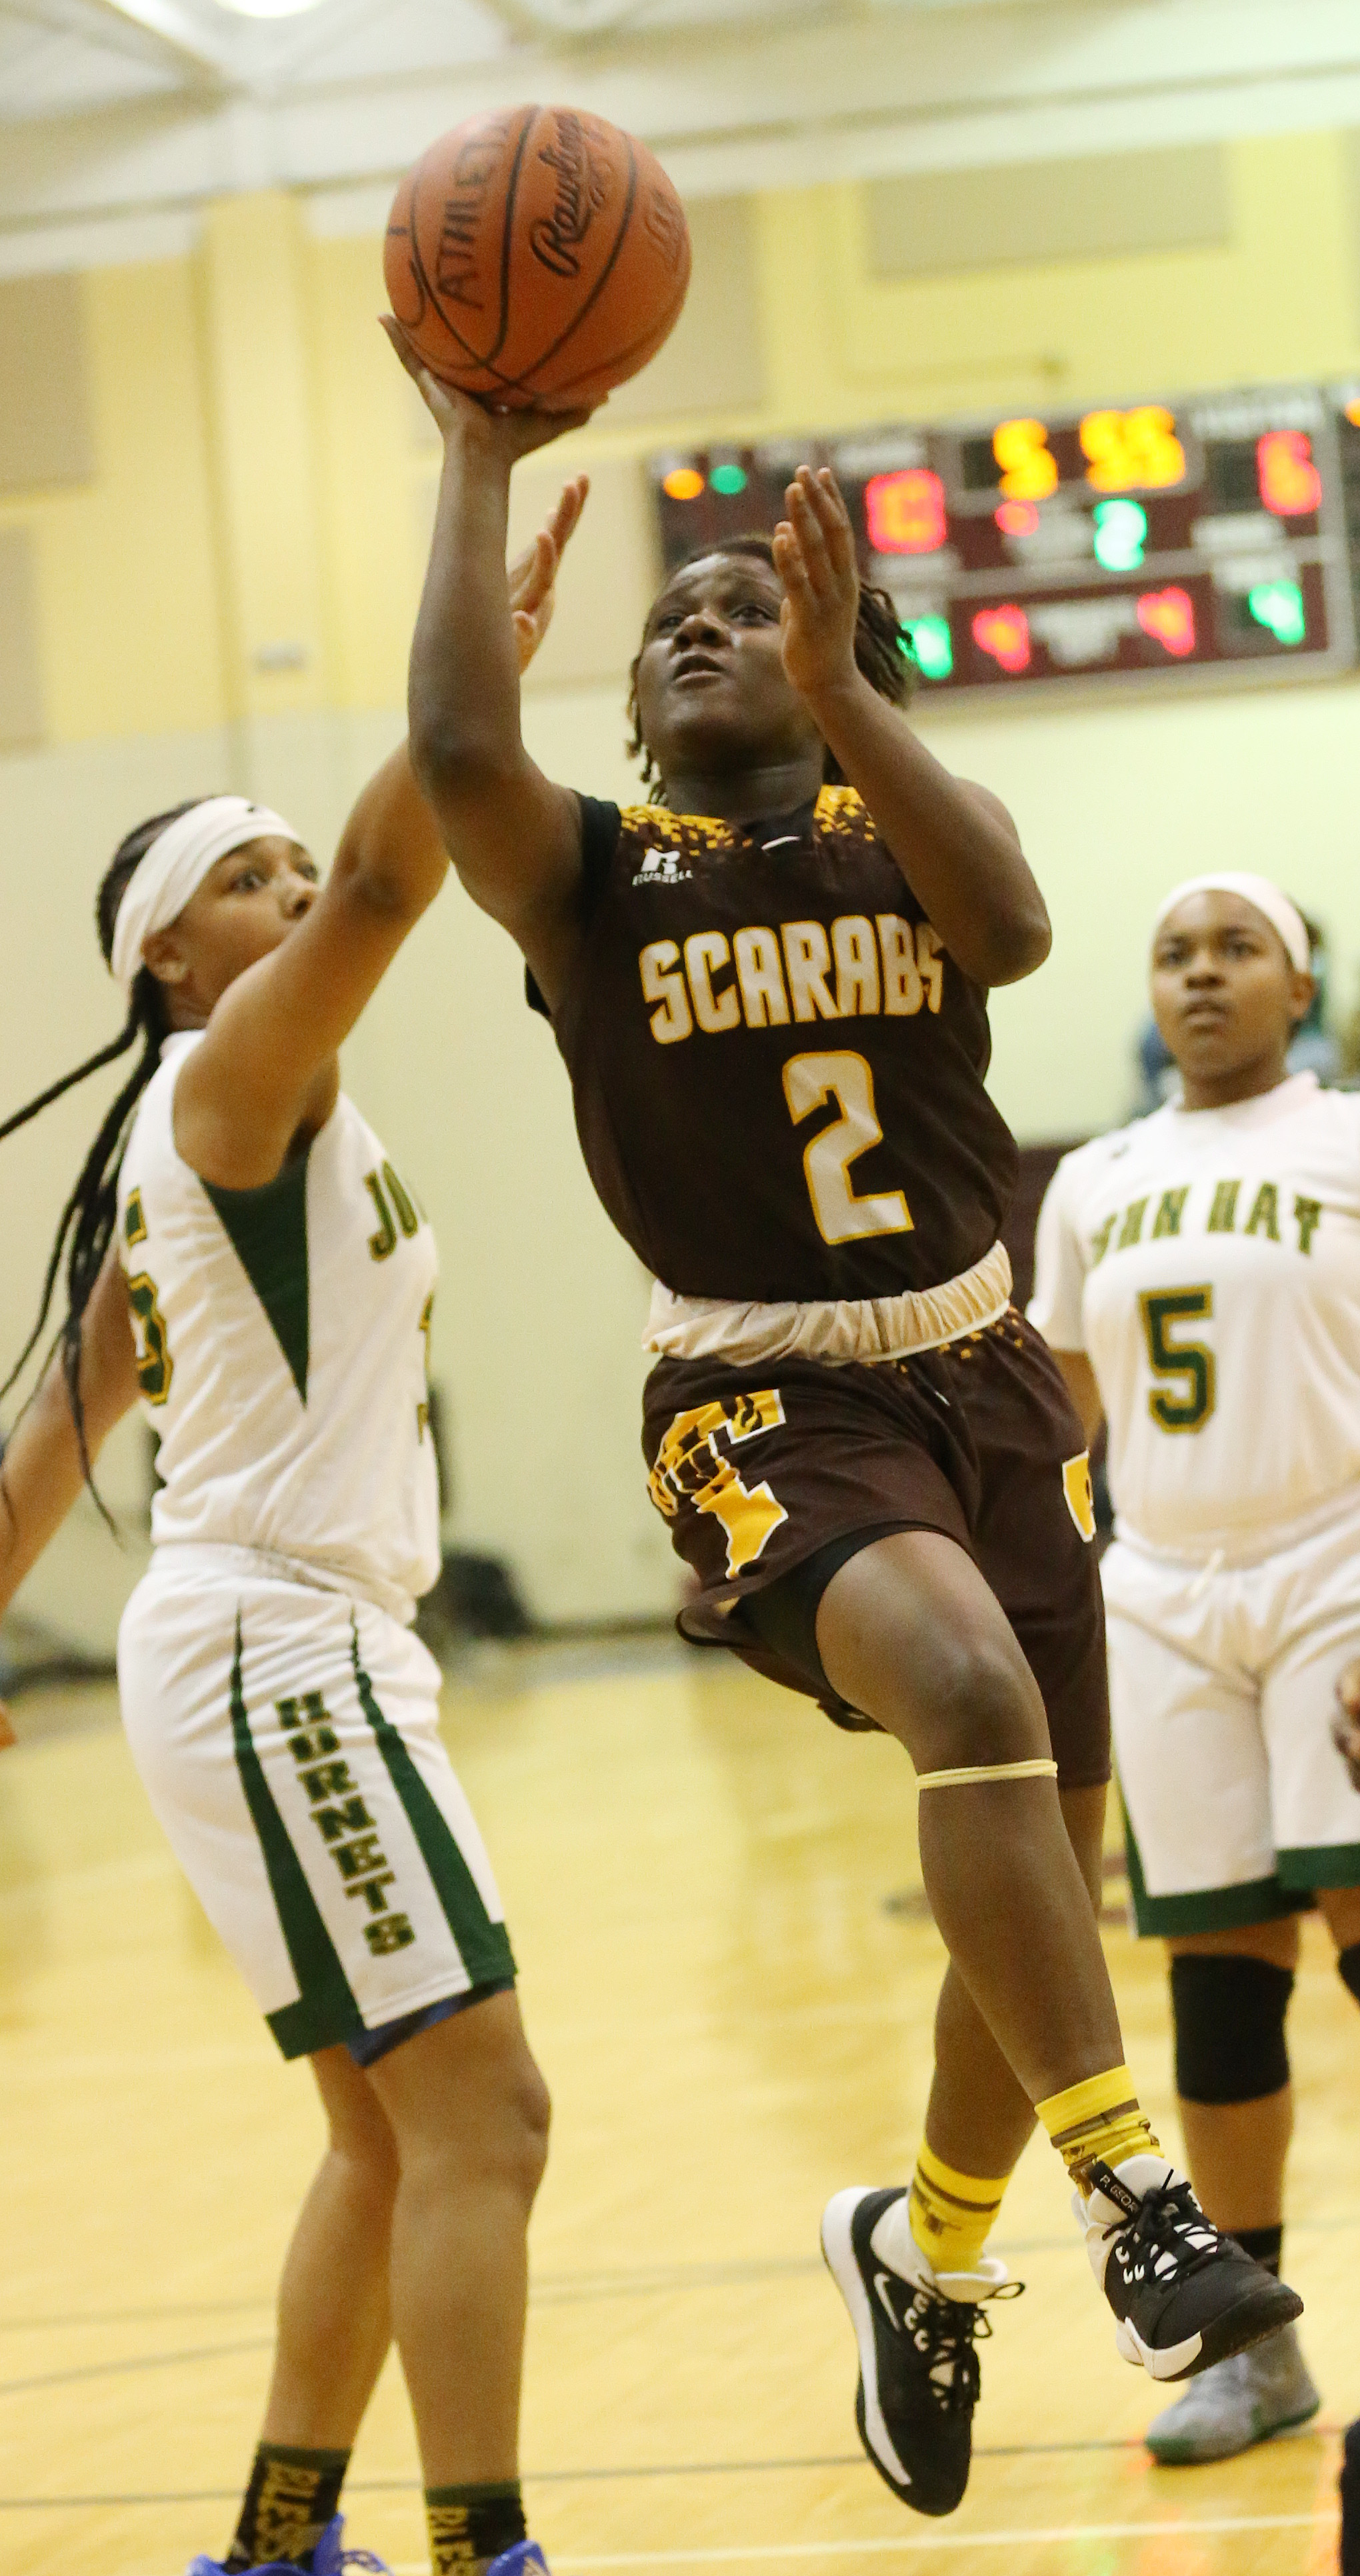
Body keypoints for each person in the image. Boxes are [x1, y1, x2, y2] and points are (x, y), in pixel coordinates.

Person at [382, 325, 1301, 2523]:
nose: (705, 628)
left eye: (754, 611)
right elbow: (453, 743)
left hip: (981, 1369)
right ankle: (1142, 2204)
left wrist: (855, 683)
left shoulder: (911, 841)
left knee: (1038, 1846)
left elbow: (1022, 923)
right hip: (762, 1387)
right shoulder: (595, 878)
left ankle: (929, 2255)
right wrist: (479, 459)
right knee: (969, 1695)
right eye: (672, 625)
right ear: (632, 712)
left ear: (834, 671)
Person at [0, 479, 587, 2576]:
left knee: (388, 2131)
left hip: (269, 1644)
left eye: (284, 867)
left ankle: (274, 2550)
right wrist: (470, 638)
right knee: (486, 2116)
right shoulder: (238, 1077)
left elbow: (61, 1419)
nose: (292, 893)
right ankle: (482, 2553)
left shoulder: (209, 1140)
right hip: (277, 1644)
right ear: (167, 957)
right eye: (241, 881)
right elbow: (391, 870)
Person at [1030, 871, 1360, 2466]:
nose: (1203, 976)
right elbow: (1058, 1421)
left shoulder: (1348, 1142)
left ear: (1301, 989)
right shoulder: (1092, 1179)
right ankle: (1258, 2354)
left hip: (1339, 1568)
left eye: (1239, 950)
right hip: (1161, 1592)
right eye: (1176, 953)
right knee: (1221, 1980)